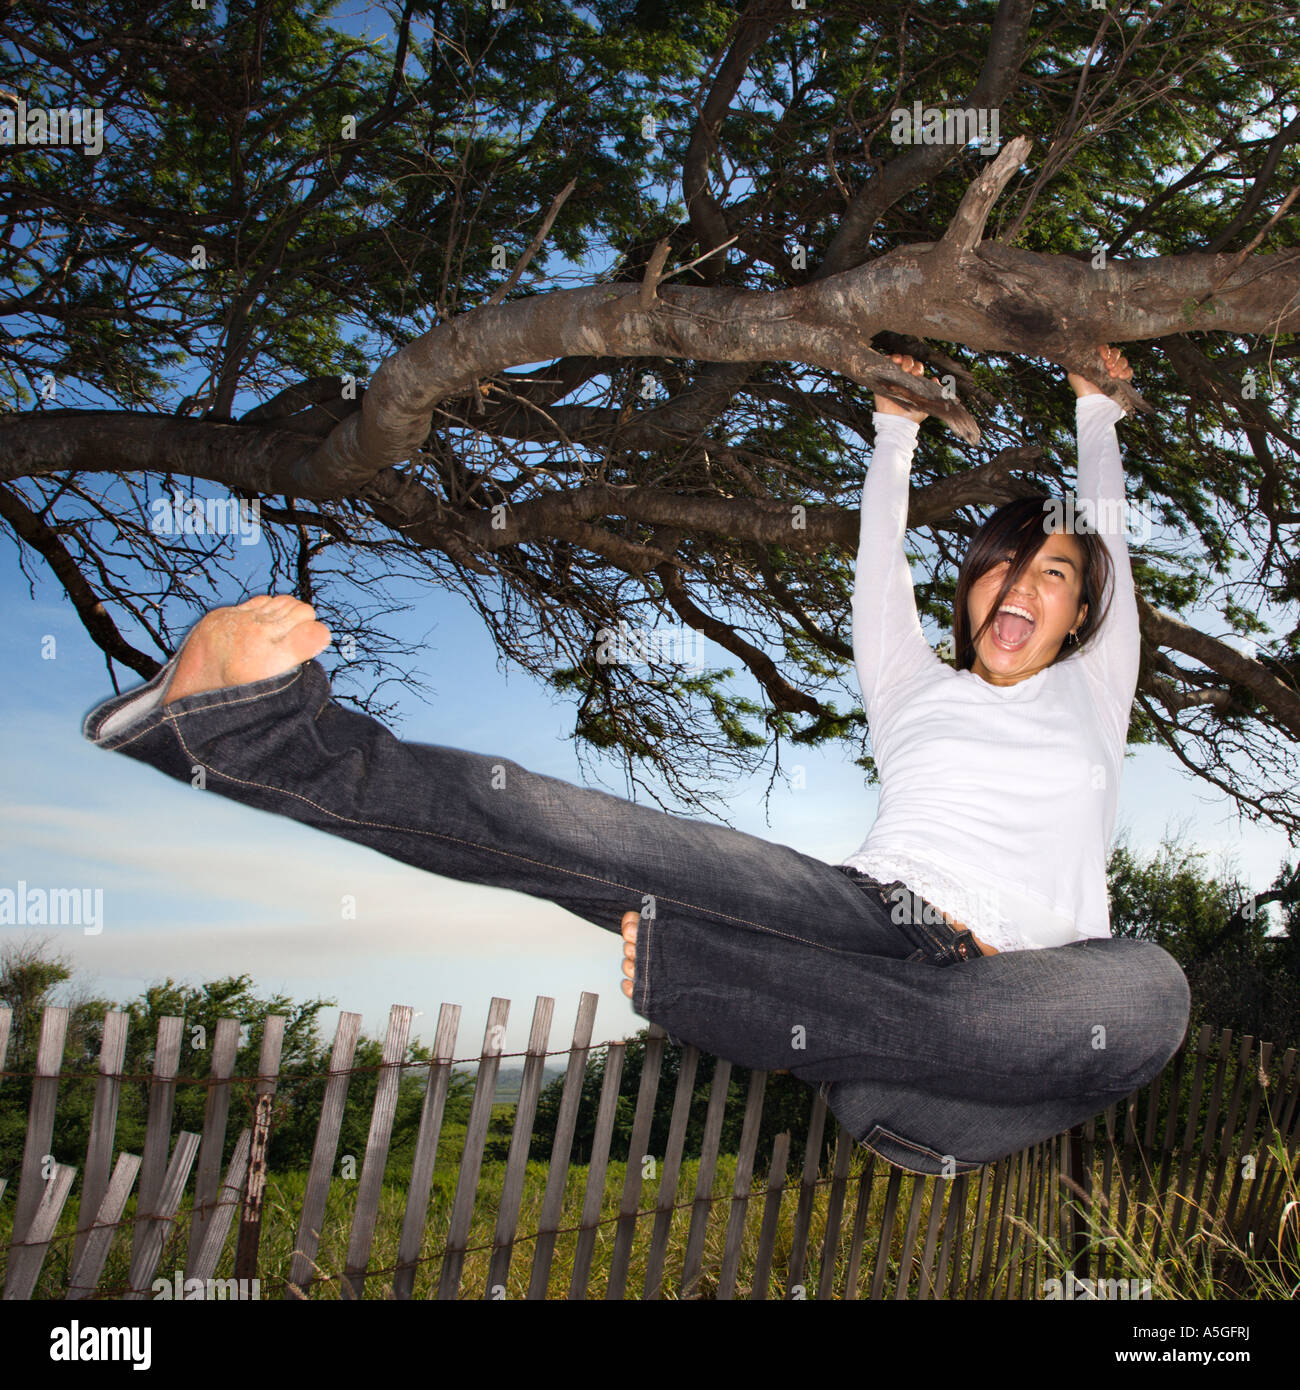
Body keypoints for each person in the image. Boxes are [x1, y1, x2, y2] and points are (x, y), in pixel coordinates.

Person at [82, 346, 1189, 1177]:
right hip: (859, 929)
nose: (1022, 591)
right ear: (971, 589)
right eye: (1003, 570)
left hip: (976, 1060)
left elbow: (1111, 539)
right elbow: (875, 560)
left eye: (1052, 576)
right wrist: (891, 432)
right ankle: (245, 730)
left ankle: (750, 998)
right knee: (560, 823)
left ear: (1082, 610)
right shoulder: (911, 683)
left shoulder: (1090, 692)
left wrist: (1097, 412)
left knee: (1152, 994)